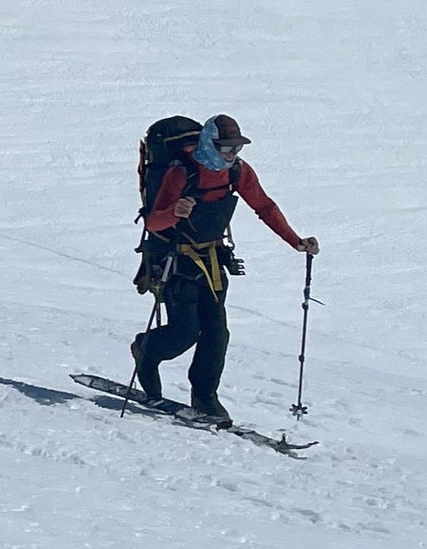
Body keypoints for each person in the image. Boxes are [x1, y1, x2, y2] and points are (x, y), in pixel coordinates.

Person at [133, 113, 317, 424]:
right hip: (175, 261)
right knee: (185, 331)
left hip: (212, 259)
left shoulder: (236, 172)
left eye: (235, 149)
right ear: (209, 143)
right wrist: (175, 212)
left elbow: (264, 206)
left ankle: (205, 395)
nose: (231, 155)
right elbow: (154, 221)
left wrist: (296, 242)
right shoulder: (182, 172)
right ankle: (146, 352)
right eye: (225, 148)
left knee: (217, 332)